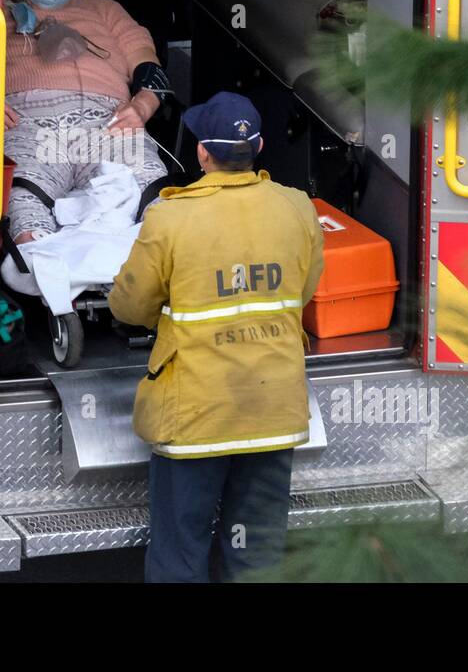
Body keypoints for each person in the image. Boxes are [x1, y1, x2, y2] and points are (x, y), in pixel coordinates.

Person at [108, 91, 325, 582]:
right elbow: (305, 287)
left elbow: (131, 306)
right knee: (256, 555)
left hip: (195, 420)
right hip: (273, 415)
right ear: (261, 146)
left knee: (180, 556)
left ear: (202, 153)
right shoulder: (297, 208)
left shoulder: (170, 217)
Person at [2, 0, 170, 244]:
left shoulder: (105, 10)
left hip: (109, 125)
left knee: (157, 198)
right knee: (22, 201)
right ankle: (46, 281)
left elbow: (150, 69)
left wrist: (141, 109)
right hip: (30, 127)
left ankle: (145, 280)